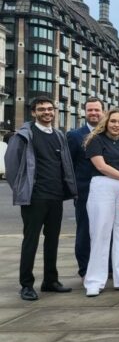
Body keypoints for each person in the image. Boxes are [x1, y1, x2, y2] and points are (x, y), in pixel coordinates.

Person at [5, 96, 77, 301]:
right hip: (35, 198)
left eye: (50, 109)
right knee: (31, 241)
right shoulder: (24, 136)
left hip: (56, 196)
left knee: (52, 240)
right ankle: (26, 285)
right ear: (34, 113)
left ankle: (50, 281)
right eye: (41, 109)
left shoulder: (59, 135)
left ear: (54, 111)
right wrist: (23, 188)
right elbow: (11, 165)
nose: (47, 112)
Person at [83, 109, 119, 297]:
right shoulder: (95, 140)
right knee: (100, 233)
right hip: (103, 186)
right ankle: (94, 281)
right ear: (106, 121)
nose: (117, 125)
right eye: (113, 121)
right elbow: (101, 166)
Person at [67, 97, 105, 278]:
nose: (94, 113)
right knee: (84, 230)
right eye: (90, 110)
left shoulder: (108, 133)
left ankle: (107, 267)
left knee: (106, 230)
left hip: (107, 191)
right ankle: (85, 268)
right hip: (84, 192)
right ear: (85, 112)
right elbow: (69, 166)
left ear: (103, 112)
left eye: (97, 110)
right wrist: (74, 191)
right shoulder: (74, 136)